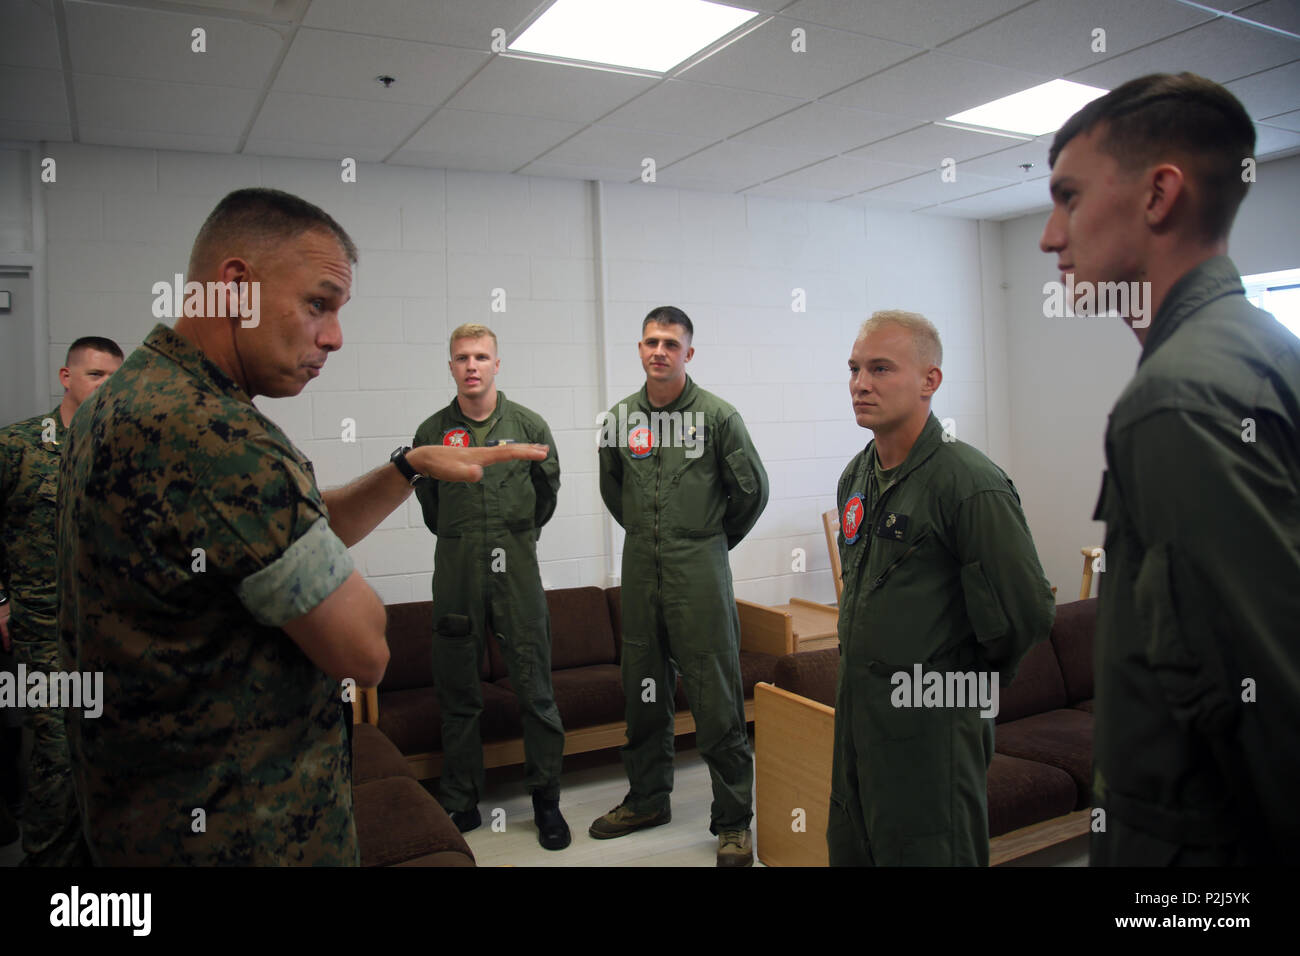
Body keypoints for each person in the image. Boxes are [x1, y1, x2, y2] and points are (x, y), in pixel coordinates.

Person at [56, 188, 546, 866]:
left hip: (143, 818)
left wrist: (406, 466)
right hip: (245, 831)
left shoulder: (122, 398)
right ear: (236, 288)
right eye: (318, 303)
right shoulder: (219, 437)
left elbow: (278, 533)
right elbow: (365, 649)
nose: (335, 336)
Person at [1040, 72, 1300, 865]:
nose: (1051, 236)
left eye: (1069, 197)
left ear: (1159, 194)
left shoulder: (1178, 400)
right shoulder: (1266, 351)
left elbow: (1268, 703)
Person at [830, 310, 1054, 866]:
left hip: (933, 723)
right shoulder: (856, 477)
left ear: (929, 381)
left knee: (931, 852)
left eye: (881, 369)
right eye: (855, 369)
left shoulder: (969, 484)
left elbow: (1026, 613)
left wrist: (958, 688)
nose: (861, 383)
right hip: (860, 716)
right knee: (855, 847)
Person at [591, 305, 769, 867]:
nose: (659, 351)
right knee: (643, 691)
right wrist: (652, 536)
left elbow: (751, 493)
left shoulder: (718, 418)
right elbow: (612, 490)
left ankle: (734, 821)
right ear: (639, 349)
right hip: (641, 568)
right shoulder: (619, 418)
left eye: (671, 343)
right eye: (650, 341)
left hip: (700, 572)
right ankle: (647, 799)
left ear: (688, 353)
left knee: (716, 698)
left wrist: (706, 543)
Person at [411, 323, 569, 850]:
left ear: (497, 364)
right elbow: (432, 511)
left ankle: (547, 802)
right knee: (458, 697)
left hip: (517, 579)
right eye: (461, 357)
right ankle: (461, 801)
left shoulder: (528, 427)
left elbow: (546, 496)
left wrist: (513, 535)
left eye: (481, 356)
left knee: (537, 695)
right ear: (451, 366)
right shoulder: (431, 433)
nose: (471, 365)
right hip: (456, 577)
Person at [1, 336, 123, 865]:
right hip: (46, 632)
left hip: (115, 637)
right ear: (66, 377)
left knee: (110, 761)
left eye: (115, 378)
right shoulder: (17, 447)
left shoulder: (124, 451)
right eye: (96, 375)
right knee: (56, 760)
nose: (106, 387)